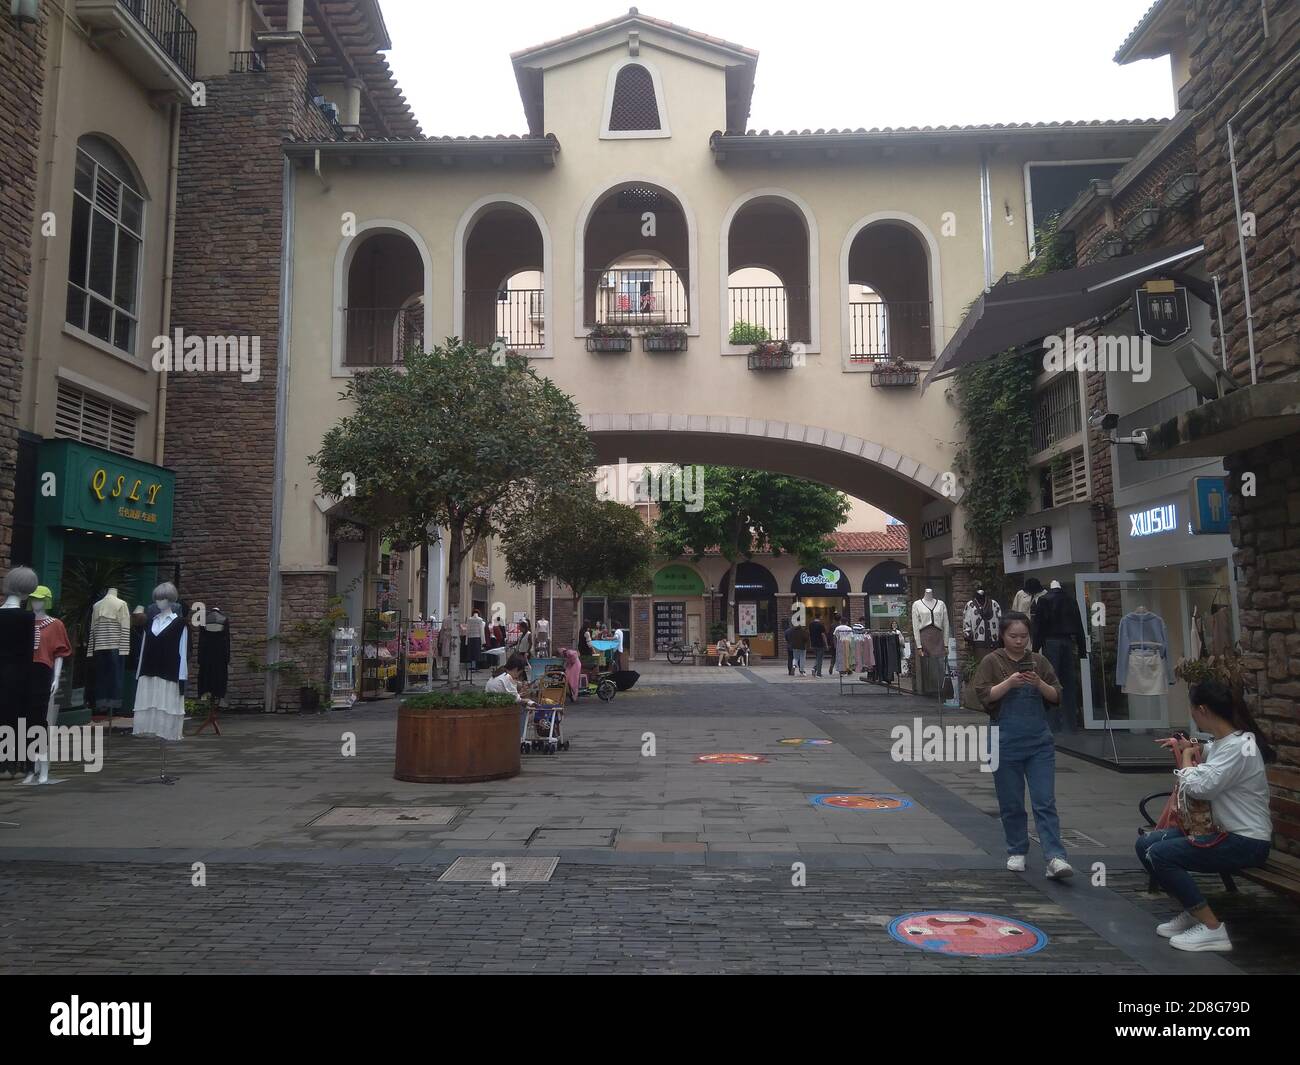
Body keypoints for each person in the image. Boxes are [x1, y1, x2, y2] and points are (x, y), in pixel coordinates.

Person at [1136, 679, 1274, 953]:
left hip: (1246, 841)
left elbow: (1201, 787)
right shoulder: (1227, 742)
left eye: (1191, 708)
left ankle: (1212, 929)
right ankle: (1193, 910)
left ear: (1202, 709)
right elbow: (1210, 749)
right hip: (1224, 833)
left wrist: (1186, 758)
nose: (1191, 713)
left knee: (1161, 854)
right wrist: (1190, 744)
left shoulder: (1239, 748)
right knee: (1146, 844)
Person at [971, 611, 1073, 880]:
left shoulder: (1039, 661)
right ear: (1002, 635)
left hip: (1039, 741)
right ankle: (1016, 849)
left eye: (1024, 636)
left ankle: (1055, 856)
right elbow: (982, 696)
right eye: (1013, 636)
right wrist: (1009, 683)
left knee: (1044, 801)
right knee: (1011, 802)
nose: (1019, 641)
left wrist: (1038, 683)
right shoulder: (992, 662)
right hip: (1003, 741)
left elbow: (1056, 695)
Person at [485, 653, 536, 737]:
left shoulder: (500, 671)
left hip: (491, 705)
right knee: (525, 709)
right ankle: (518, 737)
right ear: (516, 669)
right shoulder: (508, 677)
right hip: (500, 709)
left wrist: (519, 693)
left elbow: (507, 693)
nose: (518, 676)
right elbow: (516, 699)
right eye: (520, 672)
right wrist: (527, 701)